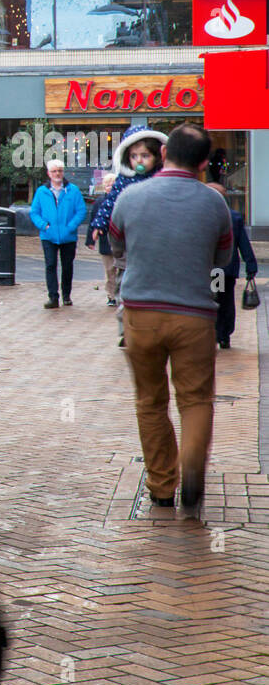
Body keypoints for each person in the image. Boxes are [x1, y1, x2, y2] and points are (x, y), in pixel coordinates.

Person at [109, 123, 232, 513]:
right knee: (195, 399)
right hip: (194, 316)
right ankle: (192, 469)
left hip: (140, 314)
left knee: (150, 401)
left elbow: (116, 245)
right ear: (202, 163)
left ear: (164, 154)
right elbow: (223, 259)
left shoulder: (131, 197)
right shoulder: (214, 204)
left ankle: (162, 486)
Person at [90, 124, 164, 343]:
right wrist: (99, 224)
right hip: (129, 243)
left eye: (145, 155)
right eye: (134, 156)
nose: (139, 161)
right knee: (125, 287)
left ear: (157, 157)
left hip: (155, 242)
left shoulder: (162, 179)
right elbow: (110, 203)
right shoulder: (123, 180)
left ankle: (152, 327)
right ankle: (125, 330)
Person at [206, 182, 258, 350]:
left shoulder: (203, 216)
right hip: (226, 268)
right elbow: (243, 244)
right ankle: (224, 334)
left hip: (212, 269)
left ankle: (216, 333)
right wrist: (251, 267)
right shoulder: (234, 217)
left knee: (212, 299)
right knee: (225, 300)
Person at [29, 158, 86, 309]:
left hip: (68, 236)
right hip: (48, 235)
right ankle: (53, 297)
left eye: (60, 171)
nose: (57, 174)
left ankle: (66, 295)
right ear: (49, 173)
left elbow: (81, 211)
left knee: (67, 266)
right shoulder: (41, 191)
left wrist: (71, 226)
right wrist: (44, 226)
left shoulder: (73, 190)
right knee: (50, 265)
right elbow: (34, 212)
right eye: (54, 171)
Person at [86, 171, 118, 307]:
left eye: (112, 185)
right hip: (106, 241)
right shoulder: (99, 202)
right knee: (109, 270)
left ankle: (122, 294)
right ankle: (111, 295)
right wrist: (90, 240)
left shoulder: (123, 199)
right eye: (107, 185)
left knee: (122, 269)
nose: (110, 187)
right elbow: (93, 221)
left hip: (122, 241)